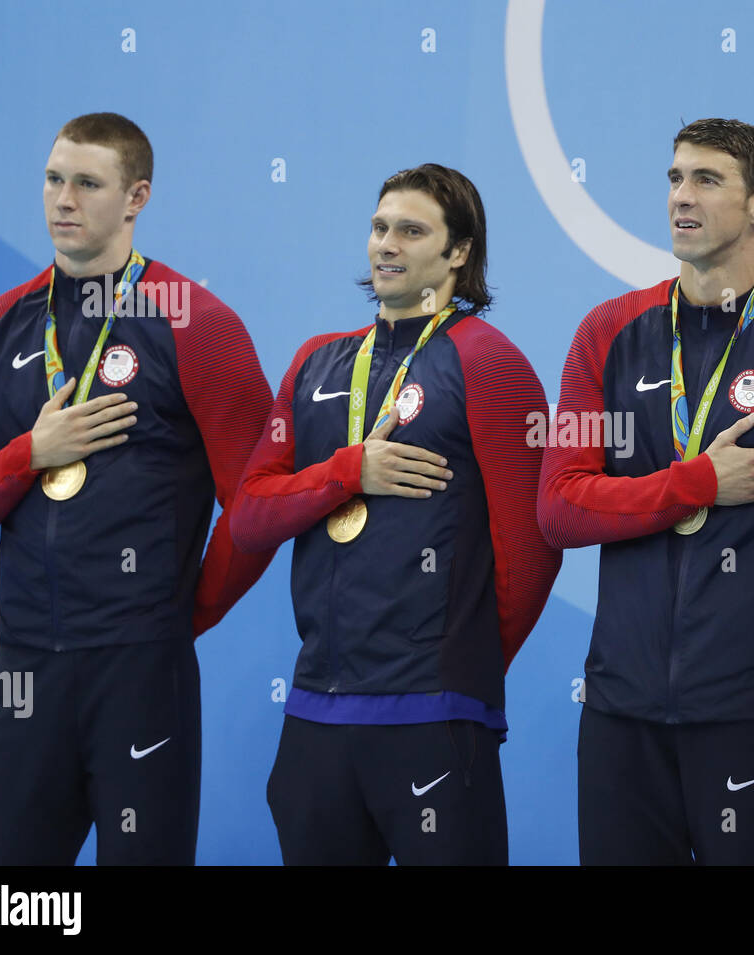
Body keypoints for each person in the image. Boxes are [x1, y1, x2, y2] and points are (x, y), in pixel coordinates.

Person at [538, 118, 754, 865]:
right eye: (675, 178)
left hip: (746, 715)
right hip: (618, 710)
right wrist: (696, 483)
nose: (681, 196)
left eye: (706, 180)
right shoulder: (605, 333)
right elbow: (559, 508)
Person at [0, 112, 275, 864]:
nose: (63, 199)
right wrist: (30, 454)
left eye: (87, 183)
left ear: (136, 198)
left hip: (140, 669)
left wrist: (180, 616)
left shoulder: (199, 326)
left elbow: (257, 508)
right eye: (53, 179)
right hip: (24, 669)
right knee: (15, 908)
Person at [229, 164, 559, 866]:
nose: (386, 244)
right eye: (380, 227)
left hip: (433, 714)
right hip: (316, 712)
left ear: (459, 251)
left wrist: (463, 662)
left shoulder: (492, 364)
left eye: (411, 231)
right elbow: (250, 517)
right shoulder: (316, 362)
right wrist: (346, 473)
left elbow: (532, 552)